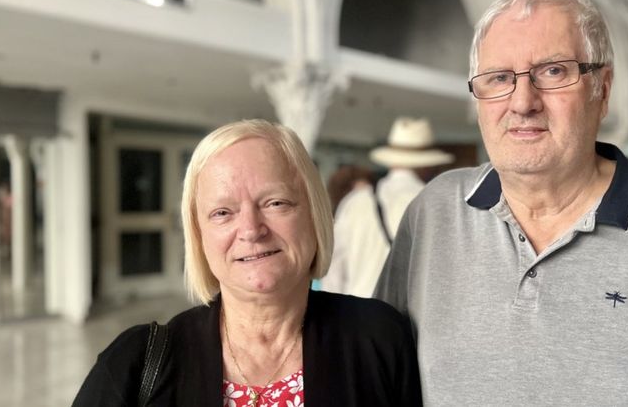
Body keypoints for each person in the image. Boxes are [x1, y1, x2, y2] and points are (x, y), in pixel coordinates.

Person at [375, 0, 628, 406]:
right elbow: (377, 374)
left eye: (553, 72)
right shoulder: (435, 212)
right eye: (498, 78)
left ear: (601, 89)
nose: (523, 102)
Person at [73, 119, 422, 406]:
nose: (251, 230)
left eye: (275, 203)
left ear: (314, 215)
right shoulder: (134, 365)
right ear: (199, 235)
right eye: (223, 213)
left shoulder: (381, 339)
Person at [323, 117, 453, 297]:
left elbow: (334, 267)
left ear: (392, 159)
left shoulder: (356, 201)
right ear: (427, 164)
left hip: (357, 313)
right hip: (408, 317)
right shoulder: (434, 202)